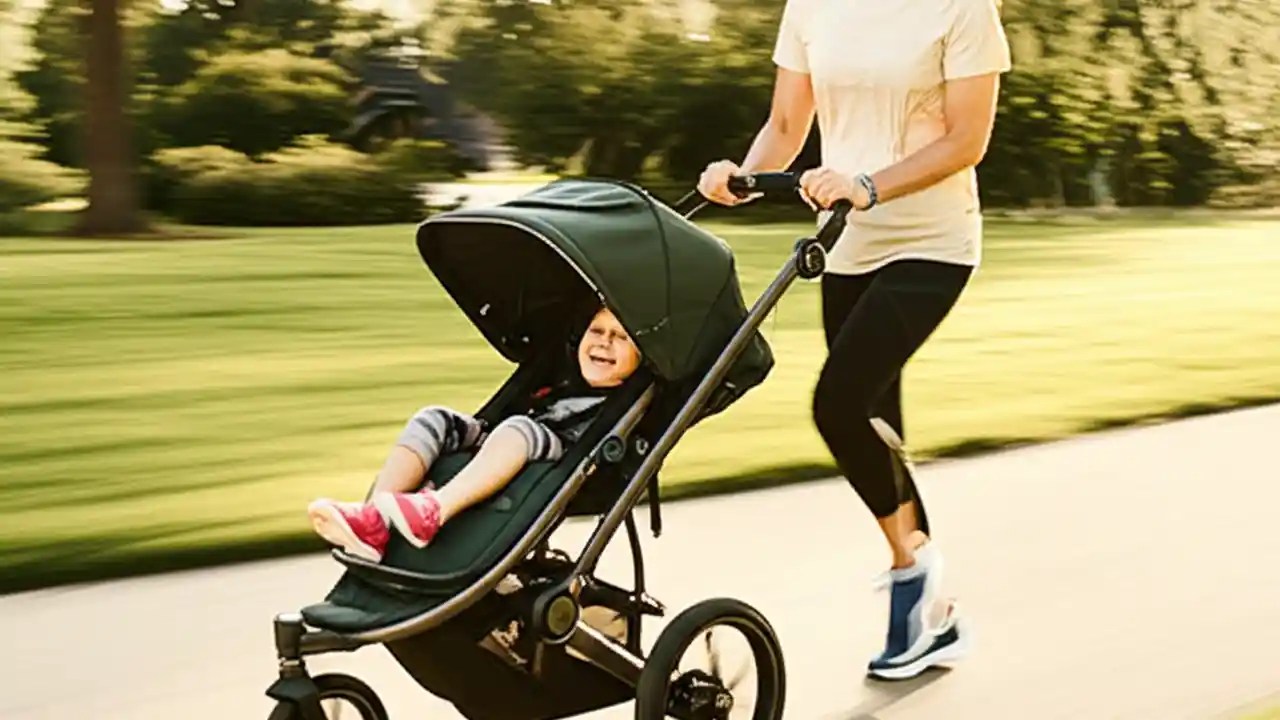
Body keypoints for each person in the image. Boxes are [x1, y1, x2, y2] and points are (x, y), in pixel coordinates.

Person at [697, 0, 1011, 681]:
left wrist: (868, 185)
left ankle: (912, 572)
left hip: (934, 242)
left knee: (838, 405)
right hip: (847, 245)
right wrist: (742, 179)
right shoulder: (810, 6)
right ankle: (931, 615)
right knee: (874, 417)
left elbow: (966, 141)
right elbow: (787, 123)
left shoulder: (963, 9)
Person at [307, 306, 642, 563]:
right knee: (433, 418)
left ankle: (434, 510)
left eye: (621, 337)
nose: (604, 341)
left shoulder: (624, 403)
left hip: (566, 454)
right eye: (596, 330)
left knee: (518, 429)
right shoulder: (559, 379)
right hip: (508, 442)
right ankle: (372, 520)